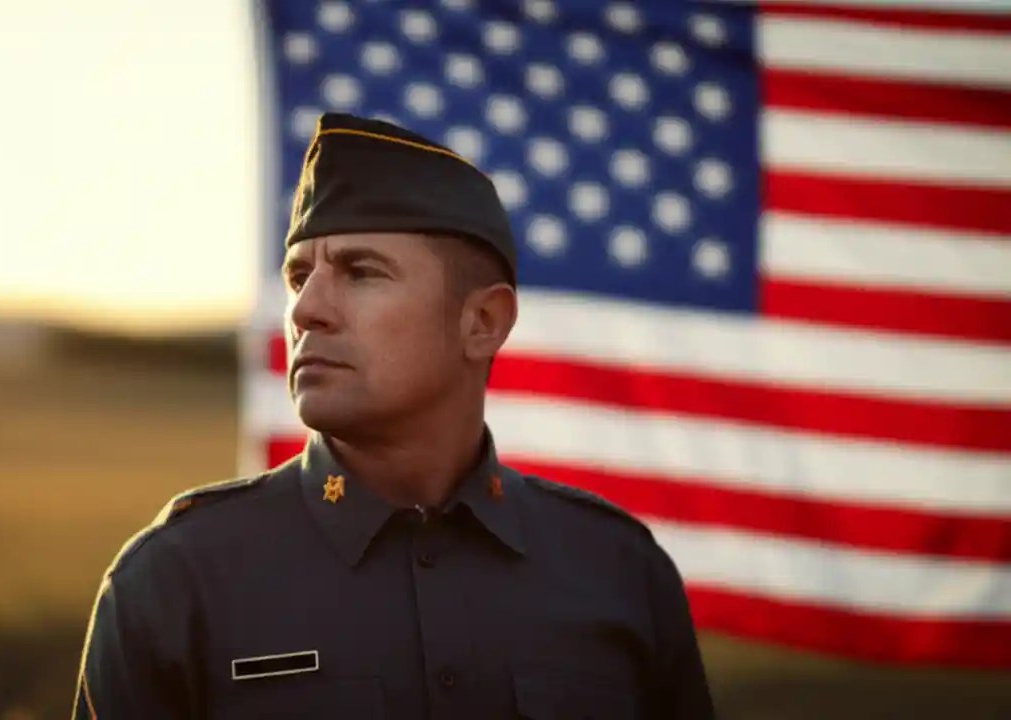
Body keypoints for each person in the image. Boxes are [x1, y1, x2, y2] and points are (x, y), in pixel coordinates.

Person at [72, 112, 715, 719]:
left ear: (482, 322)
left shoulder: (618, 574)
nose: (305, 310)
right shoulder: (175, 581)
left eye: (360, 272)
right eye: (300, 277)